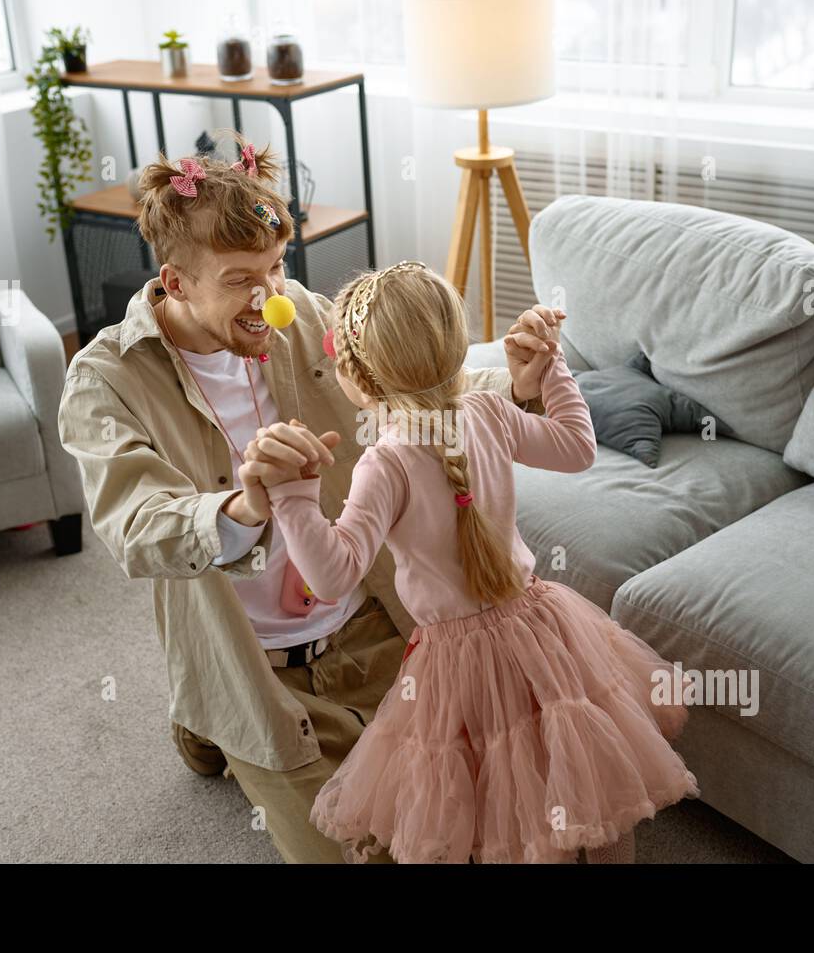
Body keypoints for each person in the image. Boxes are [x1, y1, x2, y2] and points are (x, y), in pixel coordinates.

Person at [56, 131, 559, 863]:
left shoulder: (304, 313)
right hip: (257, 667)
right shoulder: (106, 380)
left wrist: (515, 389)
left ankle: (215, 721)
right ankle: (207, 721)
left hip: (375, 622)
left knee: (494, 809)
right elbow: (136, 529)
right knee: (364, 852)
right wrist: (243, 507)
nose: (271, 299)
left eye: (276, 267)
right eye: (239, 279)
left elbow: (414, 391)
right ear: (175, 281)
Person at [241, 261, 701, 863]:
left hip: (458, 660)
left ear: (355, 374)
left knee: (497, 794)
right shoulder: (487, 411)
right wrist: (552, 368)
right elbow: (577, 448)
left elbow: (331, 576)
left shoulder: (386, 462)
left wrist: (293, 495)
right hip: (543, 624)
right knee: (579, 763)